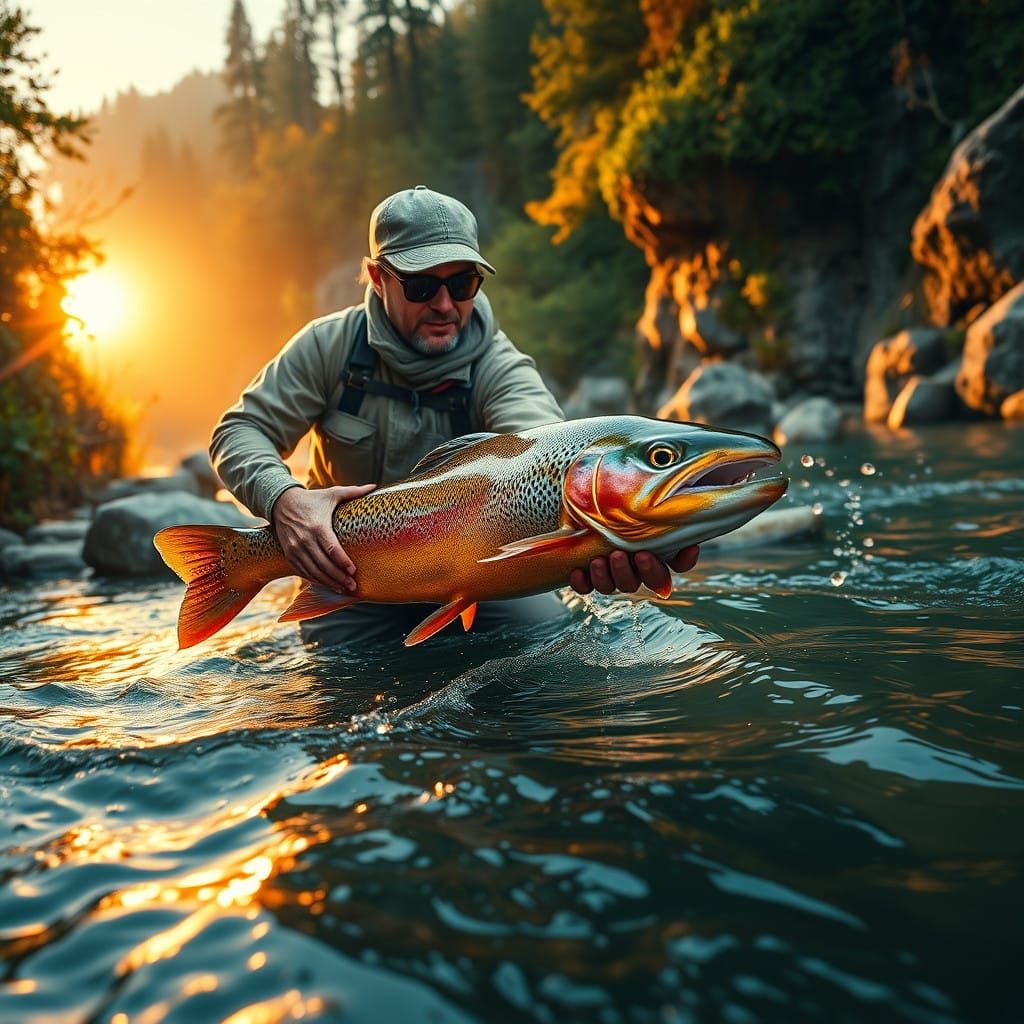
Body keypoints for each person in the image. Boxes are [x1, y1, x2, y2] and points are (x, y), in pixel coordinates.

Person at [210, 185, 699, 645]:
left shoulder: (497, 365)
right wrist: (286, 501)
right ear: (379, 279)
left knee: (550, 644)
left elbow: (546, 447)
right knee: (338, 695)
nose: (445, 305)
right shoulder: (328, 347)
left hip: (483, 578)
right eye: (422, 286)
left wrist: (623, 536)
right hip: (346, 575)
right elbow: (240, 431)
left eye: (462, 283)